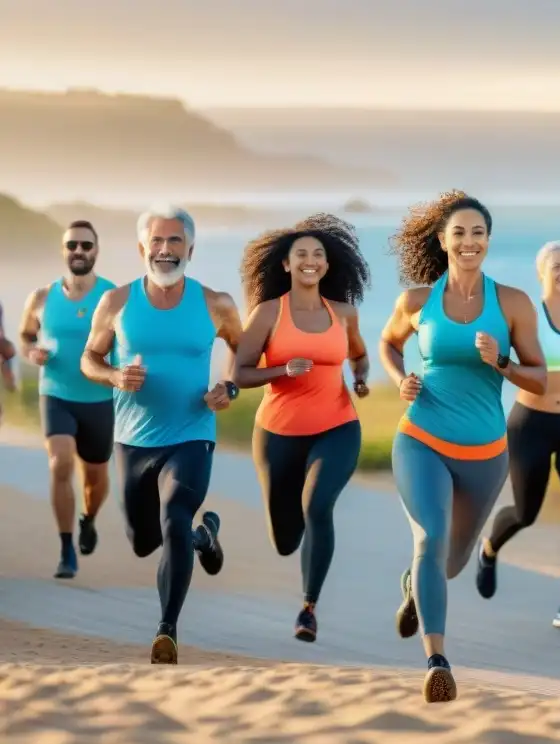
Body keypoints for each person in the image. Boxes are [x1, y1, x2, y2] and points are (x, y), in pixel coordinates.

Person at [379, 190, 546, 703]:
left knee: (448, 565)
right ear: (442, 240)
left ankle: (416, 587)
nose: (469, 241)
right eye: (460, 233)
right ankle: (437, 661)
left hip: (485, 455)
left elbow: (538, 380)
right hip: (421, 438)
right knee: (430, 538)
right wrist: (400, 376)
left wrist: (501, 363)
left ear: (488, 241)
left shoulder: (512, 303)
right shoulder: (416, 302)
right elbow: (389, 343)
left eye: (478, 233)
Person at [80, 204, 241, 665]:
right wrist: (113, 377)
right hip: (133, 440)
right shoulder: (116, 303)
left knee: (174, 515)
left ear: (190, 248)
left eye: (175, 241)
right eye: (157, 241)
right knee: (144, 542)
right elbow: (89, 360)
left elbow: (242, 349)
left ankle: (166, 630)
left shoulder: (216, 303)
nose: (165, 250)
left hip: (192, 434)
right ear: (141, 248)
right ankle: (203, 537)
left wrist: (227, 386)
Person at [233, 214, 371, 642]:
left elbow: (359, 356)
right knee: (285, 538)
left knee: (318, 506)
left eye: (318, 254)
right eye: (301, 255)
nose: (310, 261)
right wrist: (280, 370)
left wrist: (362, 379)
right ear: (286, 265)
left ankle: (309, 608)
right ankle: (288, 551)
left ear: (327, 265)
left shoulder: (345, 313)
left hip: (338, 426)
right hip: (277, 434)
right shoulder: (268, 314)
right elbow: (239, 373)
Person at [476, 241, 560, 630]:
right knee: (526, 513)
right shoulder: (528, 318)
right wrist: (494, 356)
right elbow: (500, 360)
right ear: (540, 272)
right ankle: (490, 547)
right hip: (531, 424)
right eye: (557, 265)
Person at [18, 221, 117, 578]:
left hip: (99, 398)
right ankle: (66, 549)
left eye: (86, 245)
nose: (78, 251)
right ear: (63, 250)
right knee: (59, 464)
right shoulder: (41, 297)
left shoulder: (111, 297)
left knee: (95, 475)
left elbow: (128, 342)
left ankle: (88, 518)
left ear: (96, 251)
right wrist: (31, 353)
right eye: (72, 245)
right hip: (56, 393)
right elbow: (27, 335)